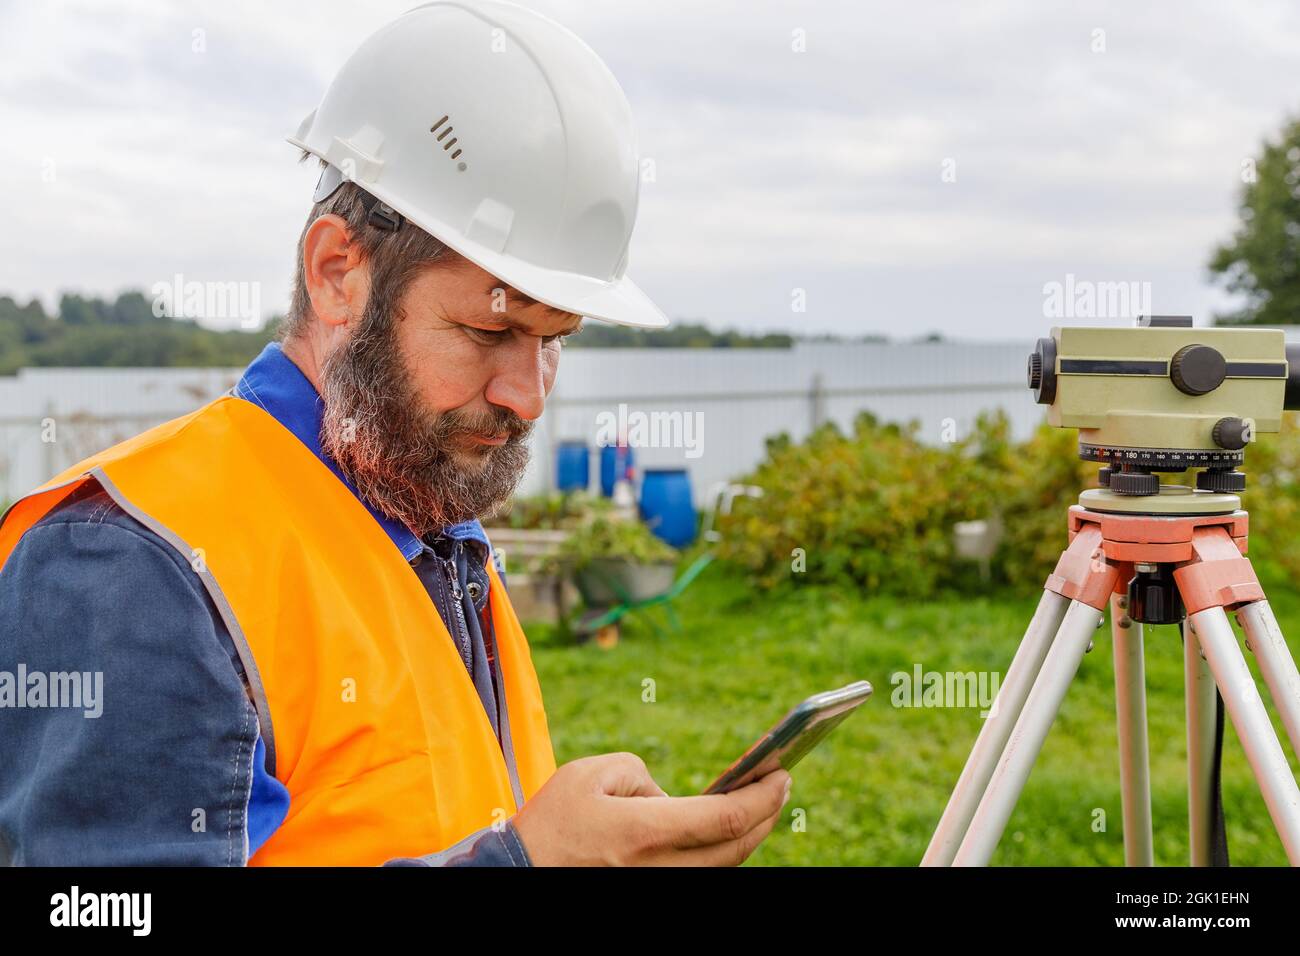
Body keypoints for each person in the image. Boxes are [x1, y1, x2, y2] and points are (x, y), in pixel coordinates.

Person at [0, 0, 789, 866]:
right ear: (339, 272)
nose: (527, 396)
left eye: (553, 339)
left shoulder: (423, 514)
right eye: (490, 333)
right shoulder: (129, 563)